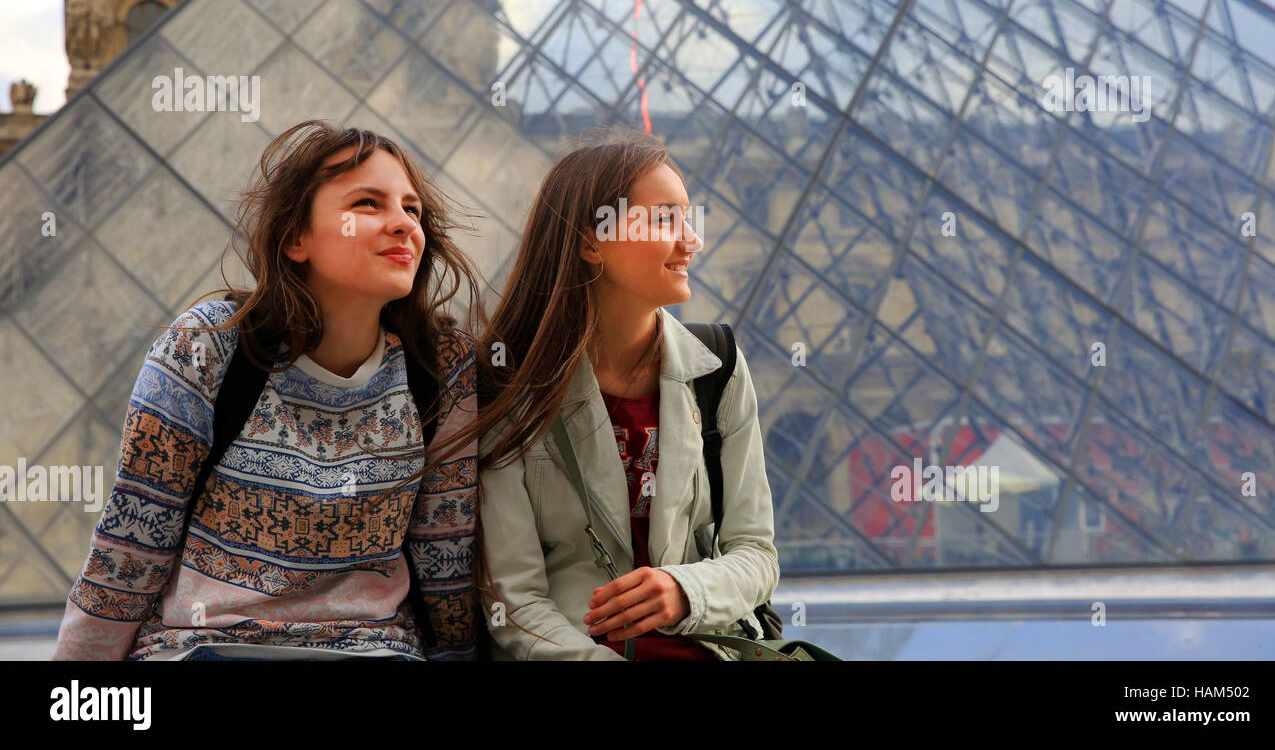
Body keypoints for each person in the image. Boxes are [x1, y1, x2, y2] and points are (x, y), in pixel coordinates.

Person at [52, 121, 483, 661]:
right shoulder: (203, 349)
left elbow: (446, 558)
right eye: (369, 203)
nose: (403, 224)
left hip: (372, 652)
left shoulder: (442, 368)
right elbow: (134, 544)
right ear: (294, 239)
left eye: (413, 209)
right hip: (209, 647)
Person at [474, 128, 780, 660]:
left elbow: (757, 554)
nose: (692, 240)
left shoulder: (719, 368)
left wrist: (687, 590)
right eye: (665, 218)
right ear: (592, 242)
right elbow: (515, 599)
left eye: (689, 218)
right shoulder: (508, 384)